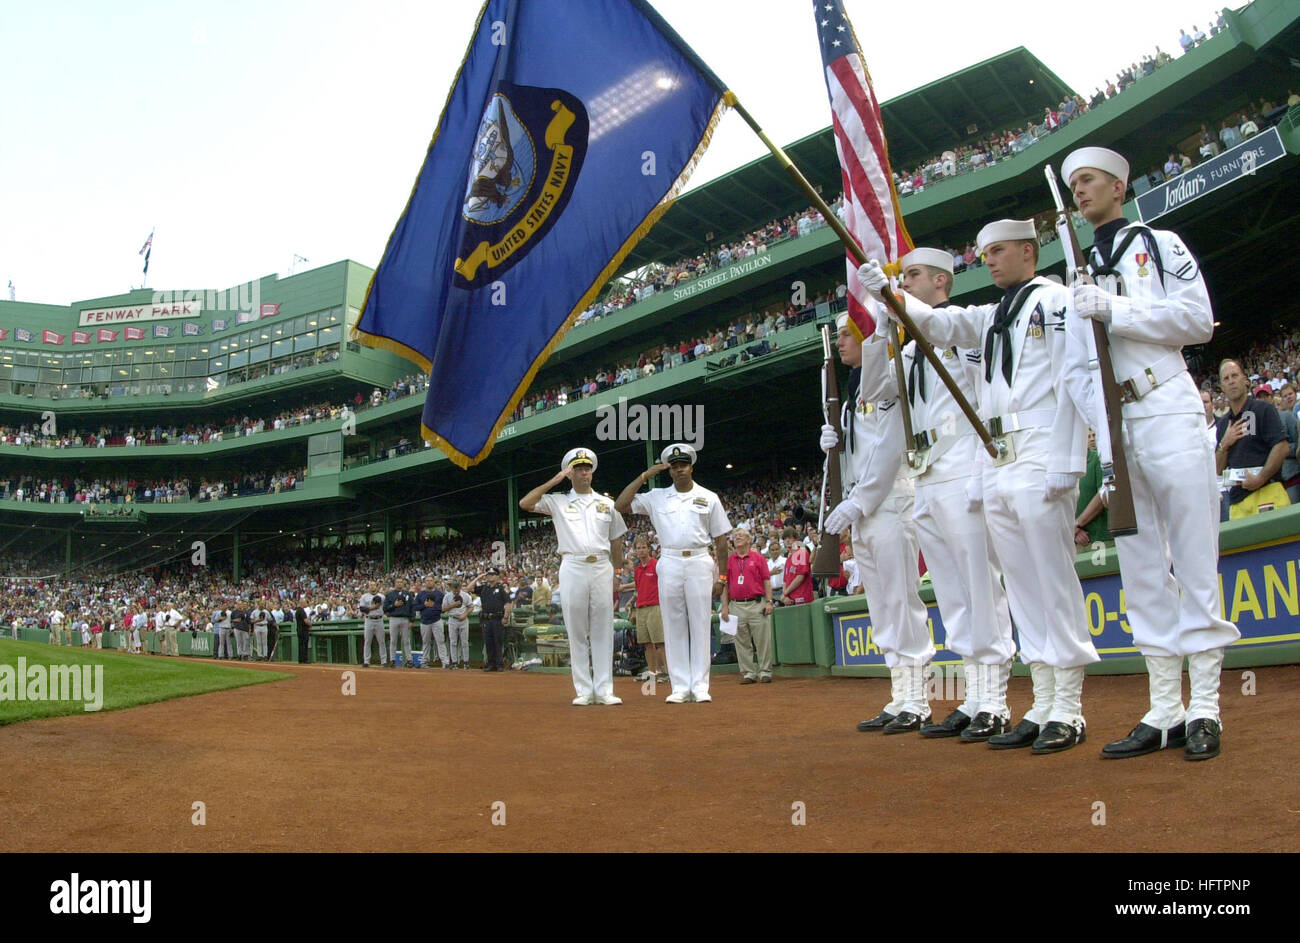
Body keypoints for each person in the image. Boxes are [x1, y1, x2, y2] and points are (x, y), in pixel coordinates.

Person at [860, 216, 1097, 755]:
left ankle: (1059, 704)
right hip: (974, 469)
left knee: (1034, 584)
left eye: (997, 250)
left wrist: (1068, 452)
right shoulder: (990, 317)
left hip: (1006, 459)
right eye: (982, 251)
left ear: (1030, 251)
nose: (987, 259)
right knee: (1002, 589)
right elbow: (899, 368)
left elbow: (1072, 376)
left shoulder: (1053, 300)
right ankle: (1037, 702)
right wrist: (886, 302)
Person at [1061, 145, 1241, 761]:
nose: (1079, 192)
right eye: (1073, 185)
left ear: (1119, 182)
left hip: (1166, 404)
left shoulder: (1160, 244)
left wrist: (1116, 308)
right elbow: (1079, 366)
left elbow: (1198, 320)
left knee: (1193, 558)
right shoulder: (1076, 269)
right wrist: (1101, 433)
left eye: (1087, 181)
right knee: (1140, 568)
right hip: (1117, 426)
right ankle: (1166, 706)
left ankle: (1208, 706)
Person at [893, 247, 1016, 741]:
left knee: (980, 586)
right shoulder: (905, 351)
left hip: (963, 463)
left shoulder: (966, 331)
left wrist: (984, 468)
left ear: (942, 282)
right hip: (924, 476)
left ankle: (996, 698)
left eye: (914, 276)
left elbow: (986, 396)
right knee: (950, 592)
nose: (906, 283)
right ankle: (972, 694)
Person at [820, 310, 935, 734]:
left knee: (902, 601)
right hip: (863, 508)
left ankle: (919, 699)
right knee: (881, 605)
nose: (840, 344)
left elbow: (891, 446)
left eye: (847, 336)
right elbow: (861, 452)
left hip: (889, 502)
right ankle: (900, 694)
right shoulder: (851, 389)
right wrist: (833, 444)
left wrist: (861, 501)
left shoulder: (886, 379)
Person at [616, 443, 731, 703]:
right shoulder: (656, 496)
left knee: (700, 622)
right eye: (675, 466)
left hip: (699, 559)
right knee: (674, 624)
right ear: (669, 471)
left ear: (691, 467)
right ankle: (679, 686)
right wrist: (645, 476)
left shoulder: (709, 496)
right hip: (669, 560)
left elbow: (722, 541)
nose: (679, 470)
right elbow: (621, 505)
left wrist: (722, 577)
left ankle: (700, 686)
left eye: (684, 465)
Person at [520, 447, 628, 704]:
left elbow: (616, 540)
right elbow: (526, 503)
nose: (584, 473)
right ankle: (583, 690)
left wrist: (618, 571)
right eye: (578, 469)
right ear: (569, 473)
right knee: (576, 629)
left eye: (587, 468)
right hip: (573, 565)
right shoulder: (558, 501)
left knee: (603, 628)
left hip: (602, 565)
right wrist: (555, 480)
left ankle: (604, 690)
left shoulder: (607, 503)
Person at [1216, 360, 1292, 518]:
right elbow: (1218, 469)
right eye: (1226, 378)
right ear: (1222, 387)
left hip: (1267, 492)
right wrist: (1225, 443)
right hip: (1237, 501)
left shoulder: (1263, 409)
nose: (1231, 381)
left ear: (1245, 380)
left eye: (1235, 375)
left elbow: (1282, 447)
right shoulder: (1223, 424)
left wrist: (1261, 478)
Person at [719, 526, 775, 684]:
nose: (737, 537)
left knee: (762, 640)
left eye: (741, 535)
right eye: (735, 536)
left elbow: (766, 580)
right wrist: (725, 607)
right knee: (741, 641)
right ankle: (749, 673)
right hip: (736, 604)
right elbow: (724, 585)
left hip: (757, 603)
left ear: (749, 540)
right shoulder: (729, 560)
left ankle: (765, 671)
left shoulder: (758, 558)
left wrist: (769, 601)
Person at [625, 534, 668, 684]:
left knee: (660, 642)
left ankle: (667, 673)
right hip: (641, 608)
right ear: (635, 551)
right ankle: (653, 672)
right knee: (646, 643)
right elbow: (638, 589)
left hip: (655, 607)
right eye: (638, 548)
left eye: (643, 547)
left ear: (648, 549)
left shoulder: (656, 564)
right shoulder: (637, 570)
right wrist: (631, 602)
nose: (641, 550)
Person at [470, 569, 512, 671]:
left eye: (493, 574)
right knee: (488, 642)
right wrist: (479, 577)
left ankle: (499, 664)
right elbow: (469, 588)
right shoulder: (484, 588)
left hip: (497, 618)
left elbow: (509, 603)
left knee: (498, 642)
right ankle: (490, 664)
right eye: (489, 574)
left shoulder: (501, 588)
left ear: (497, 576)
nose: (490, 576)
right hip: (486, 619)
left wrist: (505, 616)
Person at [416, 577, 450, 669]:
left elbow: (443, 608)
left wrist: (434, 606)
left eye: (431, 580)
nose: (429, 582)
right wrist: (424, 605)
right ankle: (424, 661)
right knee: (425, 642)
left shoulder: (439, 594)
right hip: (424, 621)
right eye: (427, 581)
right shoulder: (421, 594)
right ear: (424, 583)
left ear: (434, 582)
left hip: (436, 620)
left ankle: (445, 662)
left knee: (440, 641)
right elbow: (415, 607)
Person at [383, 576, 415, 668]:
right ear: (395, 583)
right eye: (397, 582)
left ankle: (409, 660)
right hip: (394, 618)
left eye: (401, 582)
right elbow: (385, 608)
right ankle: (392, 660)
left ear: (403, 583)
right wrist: (394, 605)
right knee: (393, 640)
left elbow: (412, 608)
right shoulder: (390, 595)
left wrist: (412, 620)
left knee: (406, 641)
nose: (399, 583)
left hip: (405, 618)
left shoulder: (408, 594)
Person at [443, 580, 473, 669]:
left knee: (465, 642)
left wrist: (465, 614)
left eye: (457, 589)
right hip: (452, 618)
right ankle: (454, 662)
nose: (456, 591)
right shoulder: (447, 596)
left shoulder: (465, 595)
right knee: (453, 642)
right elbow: (443, 609)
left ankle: (466, 662)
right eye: (454, 590)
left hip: (463, 619)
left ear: (460, 588)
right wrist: (453, 605)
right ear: (451, 588)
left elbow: (471, 607)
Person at [359, 582, 388, 667]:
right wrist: (373, 608)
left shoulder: (382, 596)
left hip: (379, 619)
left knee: (381, 641)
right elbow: (362, 608)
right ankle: (366, 661)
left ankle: (384, 661)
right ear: (368, 587)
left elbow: (386, 607)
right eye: (370, 585)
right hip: (369, 619)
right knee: (367, 641)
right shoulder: (364, 596)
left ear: (377, 586)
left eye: (374, 585)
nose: (372, 587)